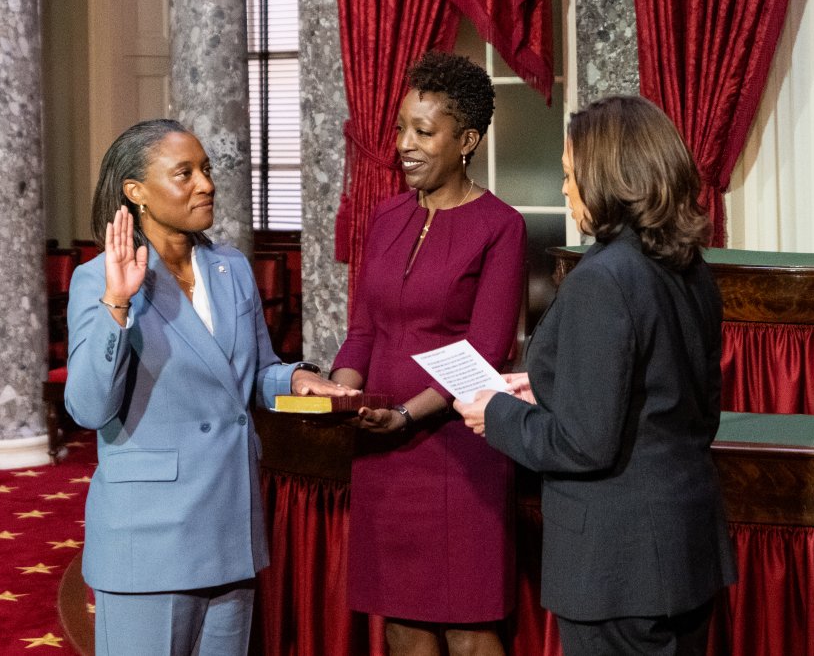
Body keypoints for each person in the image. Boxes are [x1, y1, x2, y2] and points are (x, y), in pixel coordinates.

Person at [454, 95, 737, 656]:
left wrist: (498, 413)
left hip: (617, 569)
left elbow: (584, 445)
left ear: (610, 177)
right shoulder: (689, 266)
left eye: (569, 175)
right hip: (685, 556)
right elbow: (688, 407)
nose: (564, 190)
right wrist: (549, 387)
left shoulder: (601, 279)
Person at [64, 119, 352, 655]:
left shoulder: (231, 268)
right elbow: (86, 407)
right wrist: (117, 305)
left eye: (206, 169)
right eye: (184, 173)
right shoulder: (99, 278)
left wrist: (294, 377)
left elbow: (252, 371)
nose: (206, 183)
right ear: (136, 193)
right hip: (150, 537)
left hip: (229, 524)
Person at [329, 51, 526, 656]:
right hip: (380, 447)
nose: (403, 145)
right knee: (403, 624)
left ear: (466, 139)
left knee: (469, 628)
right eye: (399, 129)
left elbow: (484, 351)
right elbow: (361, 330)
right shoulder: (385, 216)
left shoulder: (502, 226)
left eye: (423, 131)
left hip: (460, 450)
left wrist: (407, 415)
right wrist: (342, 393)